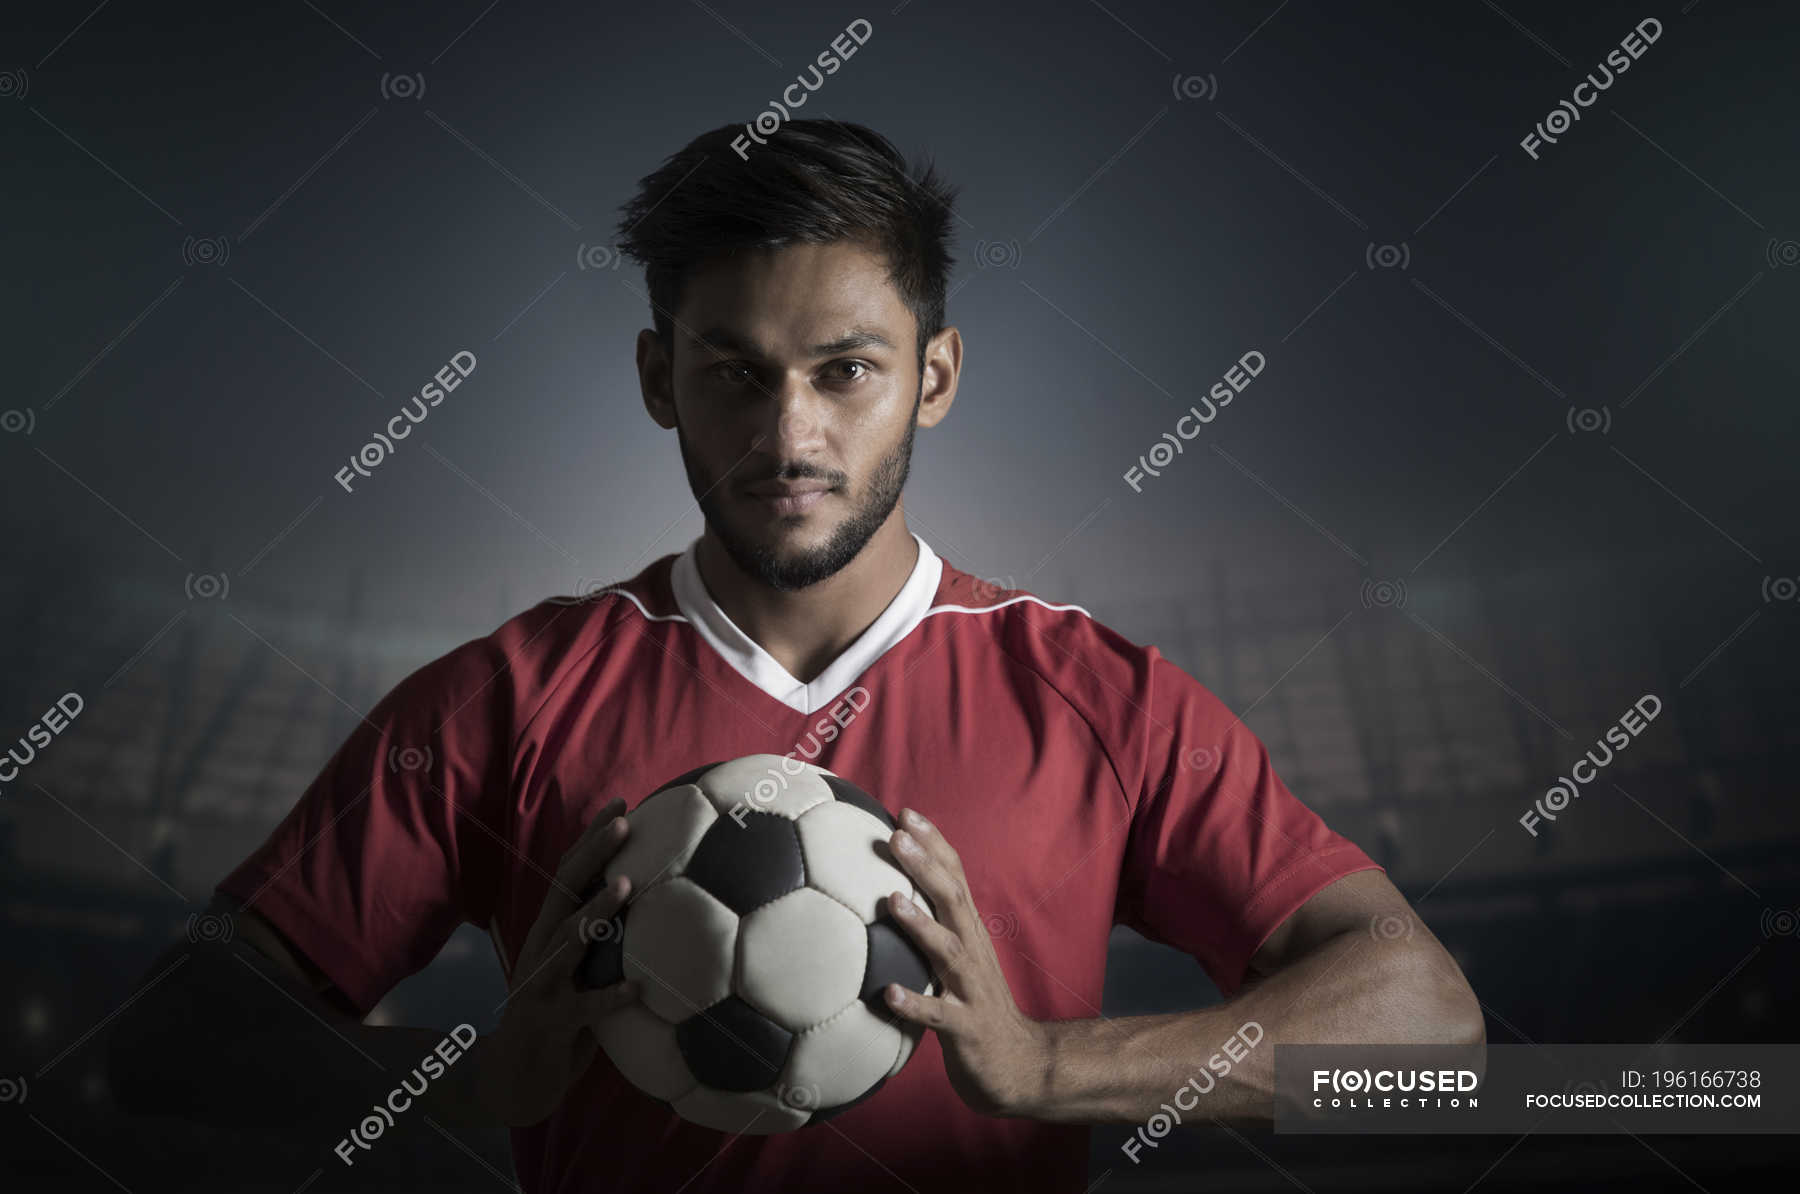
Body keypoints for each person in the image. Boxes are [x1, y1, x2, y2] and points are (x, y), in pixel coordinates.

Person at [109, 118, 1482, 1193]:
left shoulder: (1098, 700)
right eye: (732, 369)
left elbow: (1429, 1023)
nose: (789, 435)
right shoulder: (503, 703)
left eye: (845, 368)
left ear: (933, 376)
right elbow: (171, 1038)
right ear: (659, 378)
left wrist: (1051, 1064)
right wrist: (470, 1072)